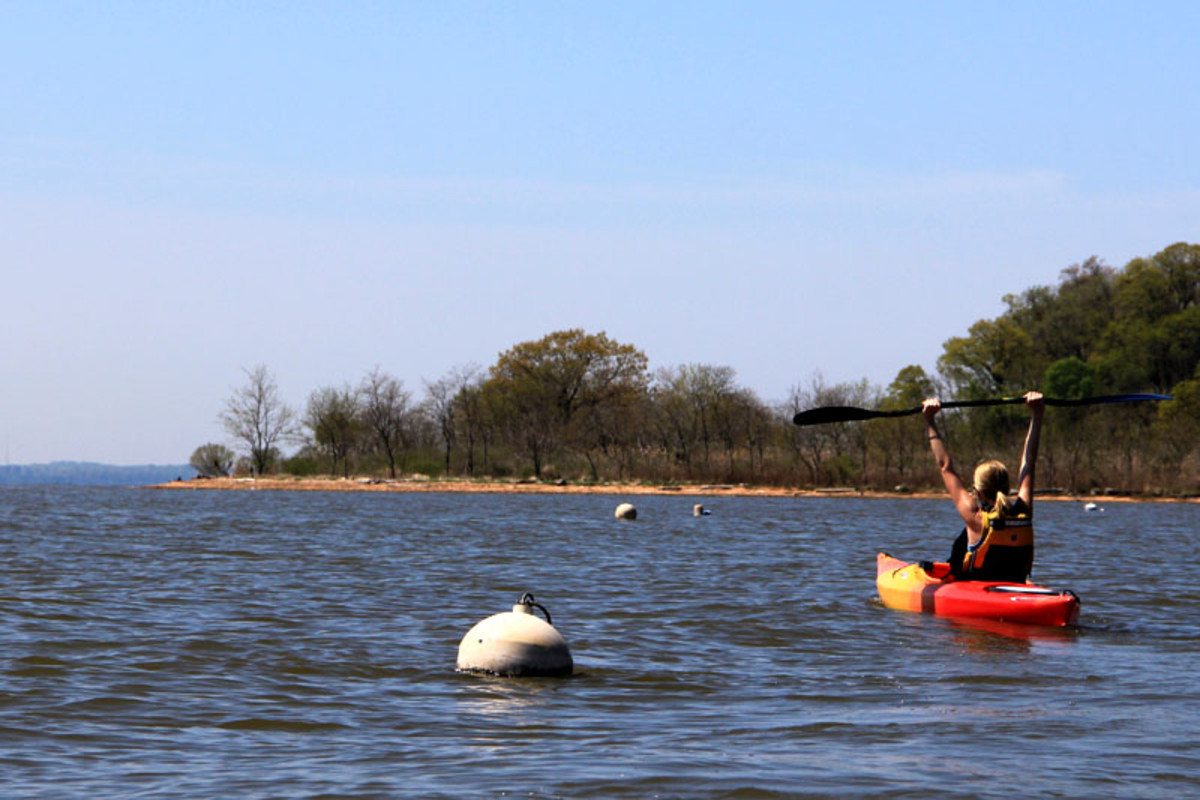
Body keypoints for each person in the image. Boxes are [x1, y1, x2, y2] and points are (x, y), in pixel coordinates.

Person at [921, 391, 1044, 582]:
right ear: (1007, 486)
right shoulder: (1023, 510)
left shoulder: (975, 517)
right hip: (1015, 584)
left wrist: (929, 420)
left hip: (977, 590)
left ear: (977, 492)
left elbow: (945, 466)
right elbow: (1029, 463)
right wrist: (1037, 413)